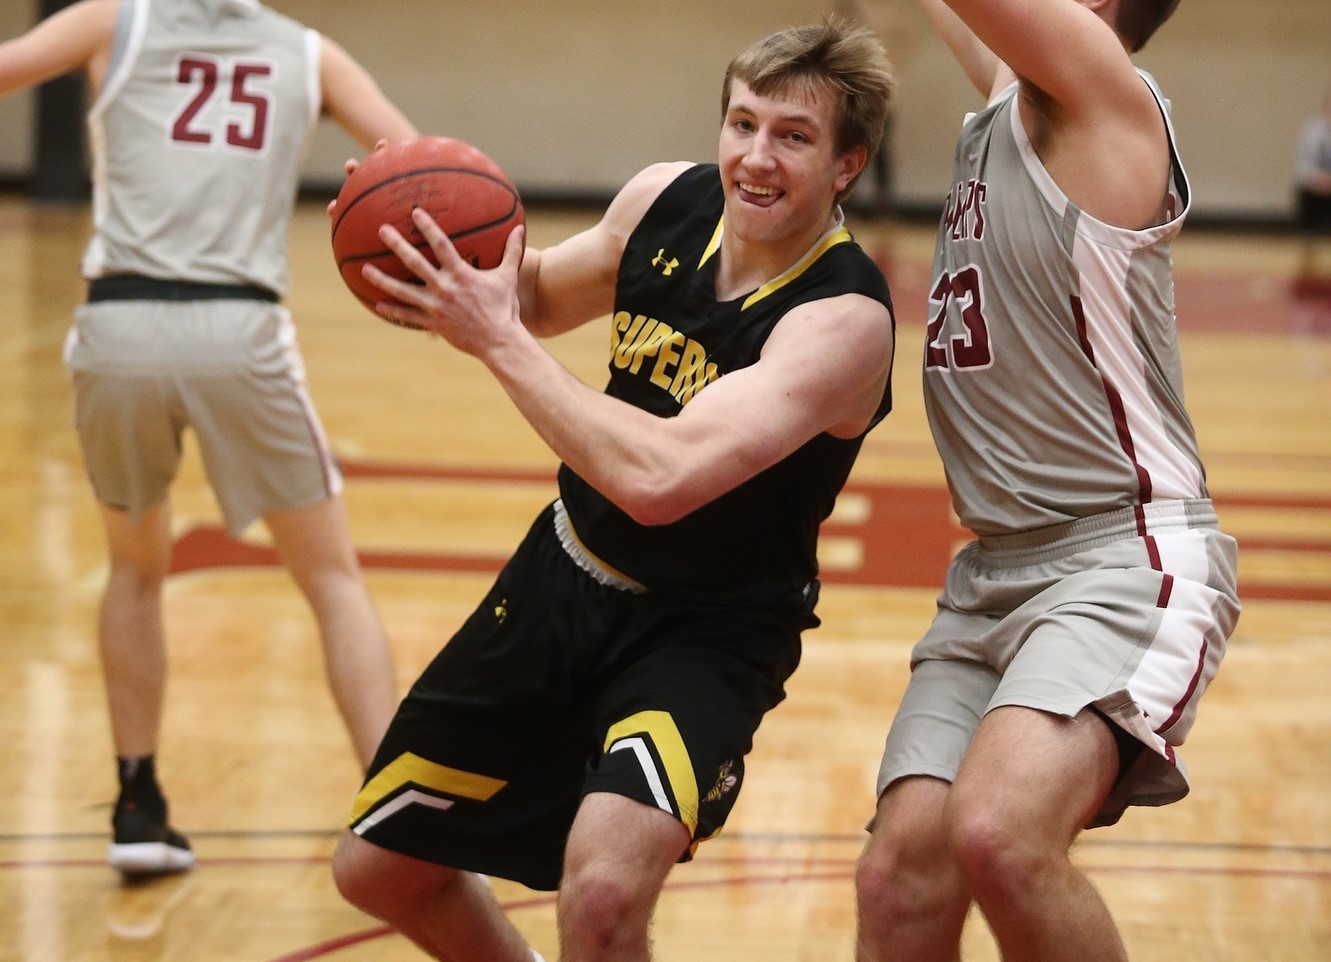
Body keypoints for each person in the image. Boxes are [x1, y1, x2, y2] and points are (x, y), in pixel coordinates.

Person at [330, 18, 896, 962]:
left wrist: (496, 341)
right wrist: (435, 258)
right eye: (742, 122)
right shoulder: (663, 200)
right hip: (561, 577)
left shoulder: (842, 321)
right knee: (377, 870)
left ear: (847, 165)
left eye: (792, 137)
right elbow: (541, 298)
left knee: (600, 899)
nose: (754, 157)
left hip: (708, 630)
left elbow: (658, 478)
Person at [852, 1, 1242, 960]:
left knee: (999, 831)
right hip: (991, 570)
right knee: (901, 871)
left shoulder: (1106, 97)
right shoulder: (1012, 94)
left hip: (1122, 557)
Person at [0, 0, 416, 876]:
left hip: (119, 329)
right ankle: (395, 816)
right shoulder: (311, 54)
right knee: (333, 578)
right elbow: (416, 165)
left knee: (134, 566)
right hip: (239, 330)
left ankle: (138, 806)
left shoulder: (110, 22)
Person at [1296, 86, 1331, 277]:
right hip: (1317, 191)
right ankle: (1308, 246)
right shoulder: (1314, 132)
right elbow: (1304, 171)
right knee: (1306, 193)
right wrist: (1324, 181)